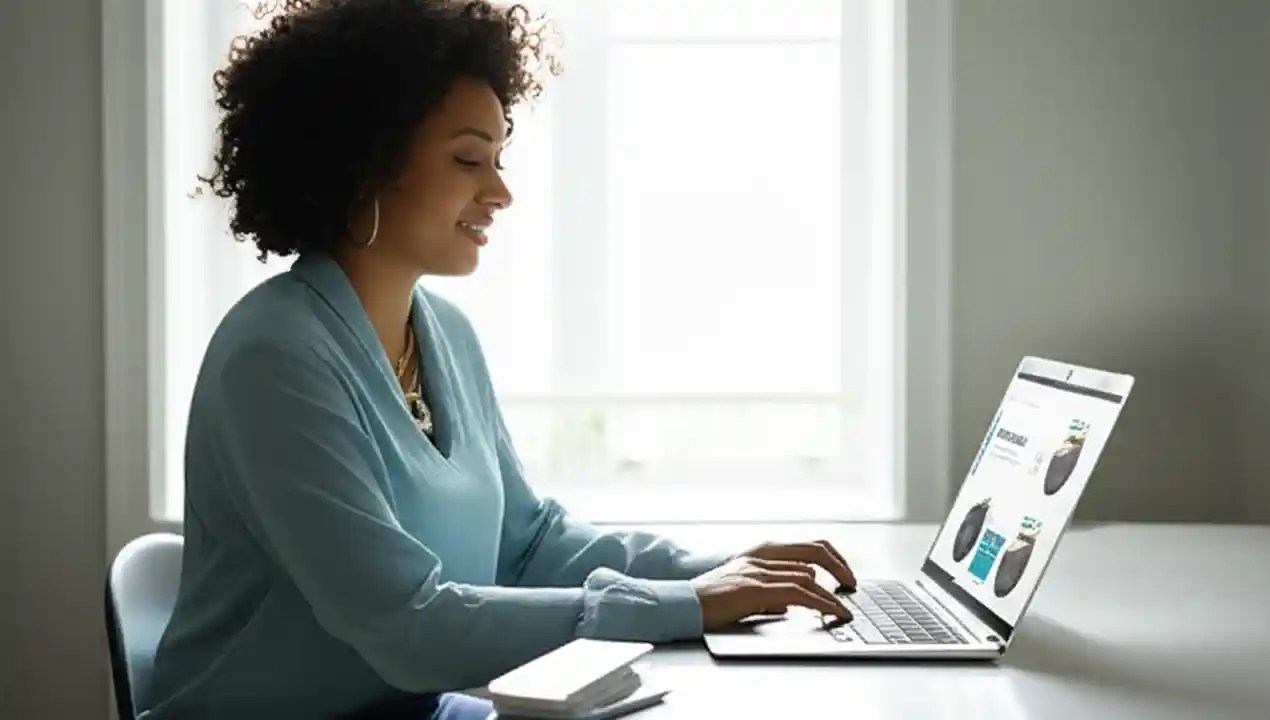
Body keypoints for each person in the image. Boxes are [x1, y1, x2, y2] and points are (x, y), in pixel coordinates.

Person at [146, 1, 858, 717]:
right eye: (467, 160)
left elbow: (528, 544)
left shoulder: (445, 335)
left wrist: (724, 571)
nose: (502, 191)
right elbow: (408, 629)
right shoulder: (274, 360)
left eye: (499, 159)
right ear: (363, 163)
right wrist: (684, 606)